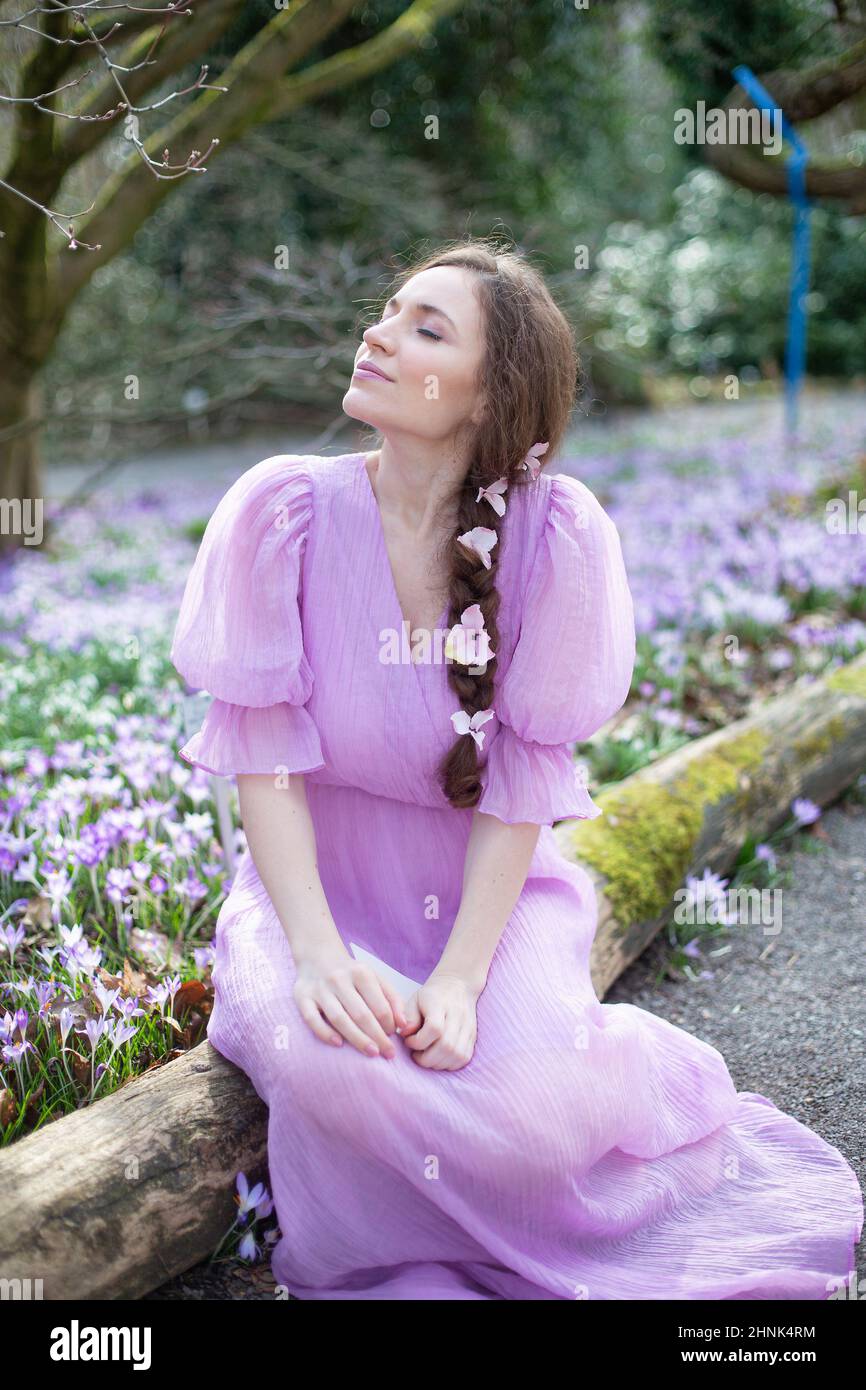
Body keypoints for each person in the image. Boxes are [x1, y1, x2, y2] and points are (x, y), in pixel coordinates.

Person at [171, 238, 863, 1300]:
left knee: (534, 1115)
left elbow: (522, 778)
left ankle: (630, 1092)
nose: (377, 335)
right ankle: (396, 1261)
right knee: (338, 1068)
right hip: (312, 890)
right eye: (388, 310)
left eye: (425, 328)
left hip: (488, 897)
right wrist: (317, 955)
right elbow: (262, 762)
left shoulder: (555, 536)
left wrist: (458, 978)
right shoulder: (284, 512)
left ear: (489, 394)